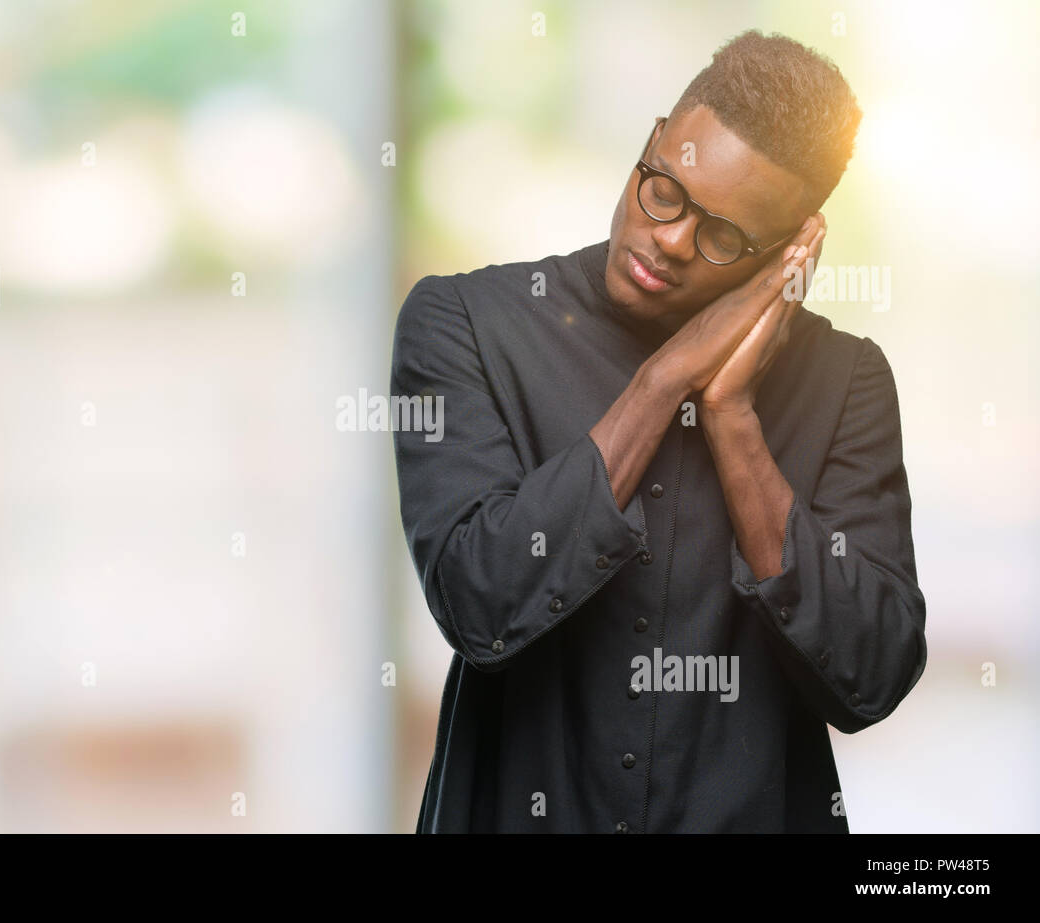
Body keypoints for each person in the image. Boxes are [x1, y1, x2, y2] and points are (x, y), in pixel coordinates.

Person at [389, 29, 926, 833]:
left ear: (786, 252)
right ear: (653, 141)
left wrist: (732, 416)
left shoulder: (846, 384)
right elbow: (479, 601)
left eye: (721, 236)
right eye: (664, 190)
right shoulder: (464, 325)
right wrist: (663, 379)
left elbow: (871, 675)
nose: (669, 240)